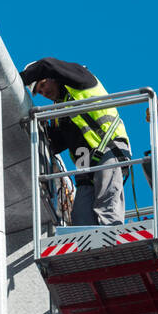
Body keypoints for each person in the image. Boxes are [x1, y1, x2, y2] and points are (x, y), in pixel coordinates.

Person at [20, 57, 131, 225]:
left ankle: (112, 242)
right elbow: (56, 144)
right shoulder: (59, 111)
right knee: (81, 218)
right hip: (86, 168)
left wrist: (18, 79)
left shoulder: (80, 80)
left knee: (106, 206)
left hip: (109, 150)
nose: (44, 92)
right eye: (40, 92)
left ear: (52, 77)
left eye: (43, 84)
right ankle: (95, 250)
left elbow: (47, 65)